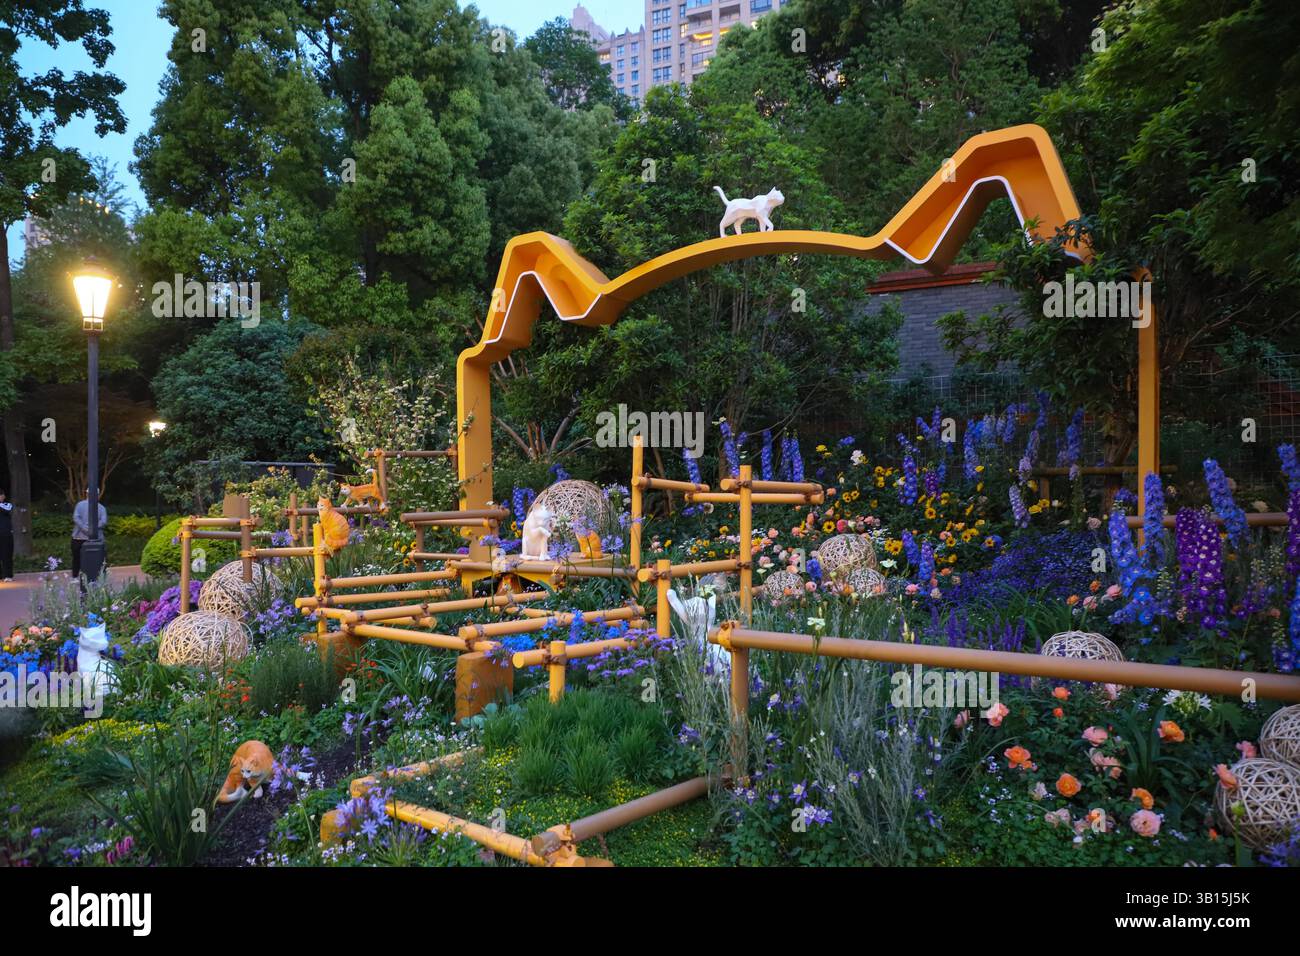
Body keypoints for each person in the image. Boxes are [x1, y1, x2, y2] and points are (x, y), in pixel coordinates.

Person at [71, 489, 107, 580]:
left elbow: (76, 517)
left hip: (79, 537)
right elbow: (103, 522)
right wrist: (92, 528)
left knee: (77, 558)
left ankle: (75, 577)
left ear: (86, 494)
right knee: (98, 559)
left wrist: (84, 528)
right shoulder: (101, 507)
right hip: (94, 538)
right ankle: (99, 578)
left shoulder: (80, 505)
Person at [0, 487, 13, 581]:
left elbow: (7, 510)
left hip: (6, 534)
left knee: (6, 555)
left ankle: (8, 575)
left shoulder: (7, 505)